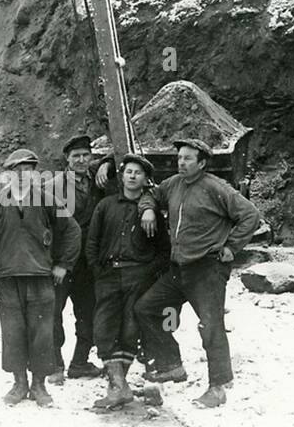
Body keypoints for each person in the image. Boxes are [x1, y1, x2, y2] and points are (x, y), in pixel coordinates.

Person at [135, 138, 262, 408]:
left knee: (210, 326)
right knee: (146, 308)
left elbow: (250, 215)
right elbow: (150, 194)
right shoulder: (172, 185)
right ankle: (171, 365)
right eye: (179, 157)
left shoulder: (216, 188)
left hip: (207, 269)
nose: (181, 162)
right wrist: (147, 209)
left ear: (202, 163)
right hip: (179, 268)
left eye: (188, 158)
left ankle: (218, 386)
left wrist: (231, 247)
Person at [0, 148, 81, 407]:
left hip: (40, 278)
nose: (23, 174)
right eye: (17, 170)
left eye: (28, 169)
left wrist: (63, 265)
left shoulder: (47, 200)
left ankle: (39, 385)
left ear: (34, 173)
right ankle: (19, 383)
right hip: (7, 279)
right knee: (13, 332)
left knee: (41, 333)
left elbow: (72, 231)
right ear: (8, 174)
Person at [85, 153, 169, 409]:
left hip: (138, 276)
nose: (132, 177)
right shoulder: (106, 206)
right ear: (121, 176)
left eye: (138, 173)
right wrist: (97, 271)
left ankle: (118, 388)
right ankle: (119, 386)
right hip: (108, 275)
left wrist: (147, 272)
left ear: (146, 180)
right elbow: (92, 242)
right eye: (128, 172)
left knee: (131, 329)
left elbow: (164, 250)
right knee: (104, 328)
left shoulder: (150, 213)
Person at [49, 133, 107, 385]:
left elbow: (121, 156)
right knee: (53, 314)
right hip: (62, 262)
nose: (82, 160)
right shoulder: (53, 186)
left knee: (89, 312)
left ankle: (80, 362)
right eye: (76, 156)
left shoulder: (97, 179)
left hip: (89, 262)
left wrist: (108, 164)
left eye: (86, 155)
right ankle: (54, 365)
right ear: (67, 159)